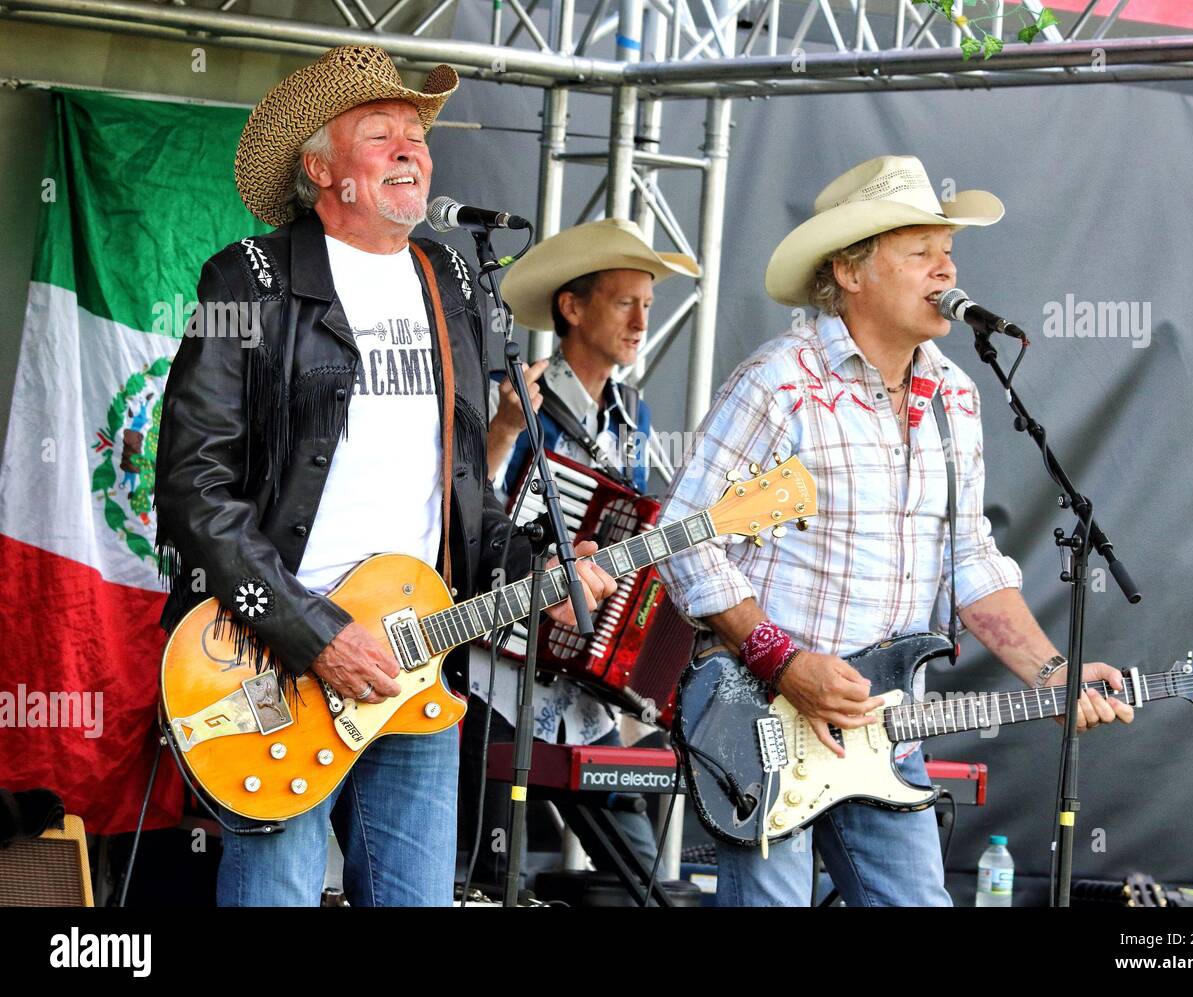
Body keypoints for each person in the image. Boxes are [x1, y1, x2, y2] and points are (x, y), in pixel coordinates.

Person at [154, 45, 615, 908]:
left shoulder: (449, 285)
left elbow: (460, 495)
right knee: (277, 894)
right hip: (273, 665)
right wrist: (314, 631)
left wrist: (531, 570)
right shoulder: (247, 280)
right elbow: (192, 489)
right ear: (322, 170)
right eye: (382, 134)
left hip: (415, 655)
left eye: (418, 135)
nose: (413, 150)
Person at [657, 154, 1134, 907]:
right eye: (921, 252)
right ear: (850, 270)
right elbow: (682, 534)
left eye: (949, 252)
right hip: (763, 714)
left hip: (884, 734)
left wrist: (1053, 672)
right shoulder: (781, 380)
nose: (947, 270)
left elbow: (969, 559)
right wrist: (784, 661)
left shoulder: (955, 394)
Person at [458, 218, 700, 884]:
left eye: (648, 305)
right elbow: (467, 512)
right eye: (626, 302)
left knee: (639, 867)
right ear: (572, 306)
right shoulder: (516, 390)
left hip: (580, 675)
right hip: (498, 663)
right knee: (489, 867)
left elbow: (634, 526)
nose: (641, 321)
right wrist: (508, 426)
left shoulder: (632, 414)